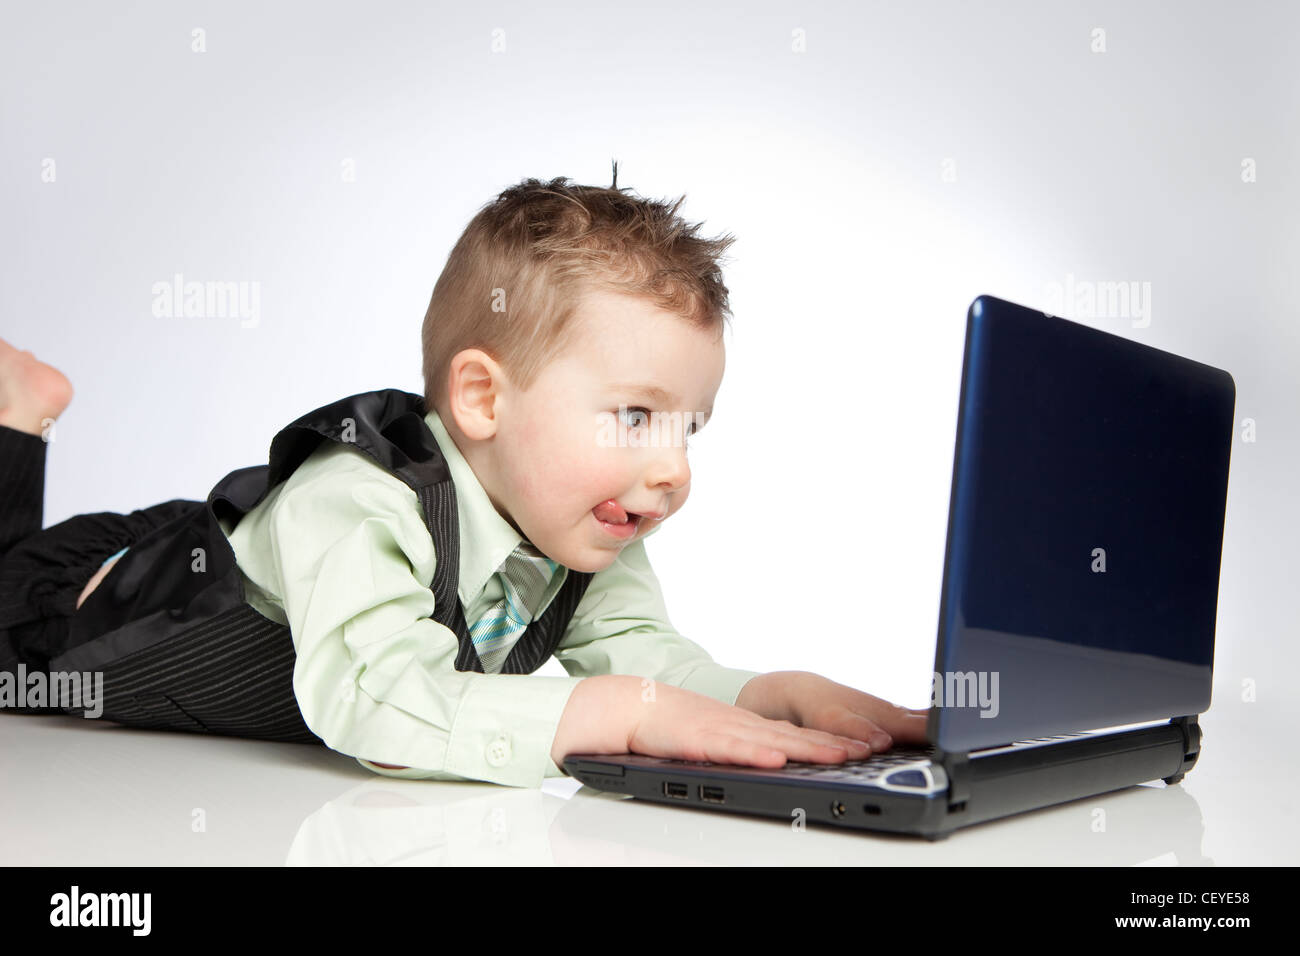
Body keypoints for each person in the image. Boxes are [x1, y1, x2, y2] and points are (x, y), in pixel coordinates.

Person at [0, 173, 928, 787]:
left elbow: (645, 659)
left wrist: (769, 696)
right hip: (90, 599)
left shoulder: (578, 528)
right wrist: (603, 715)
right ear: (483, 398)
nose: (673, 468)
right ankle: (18, 412)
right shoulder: (357, 495)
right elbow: (377, 695)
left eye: (692, 428)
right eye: (636, 416)